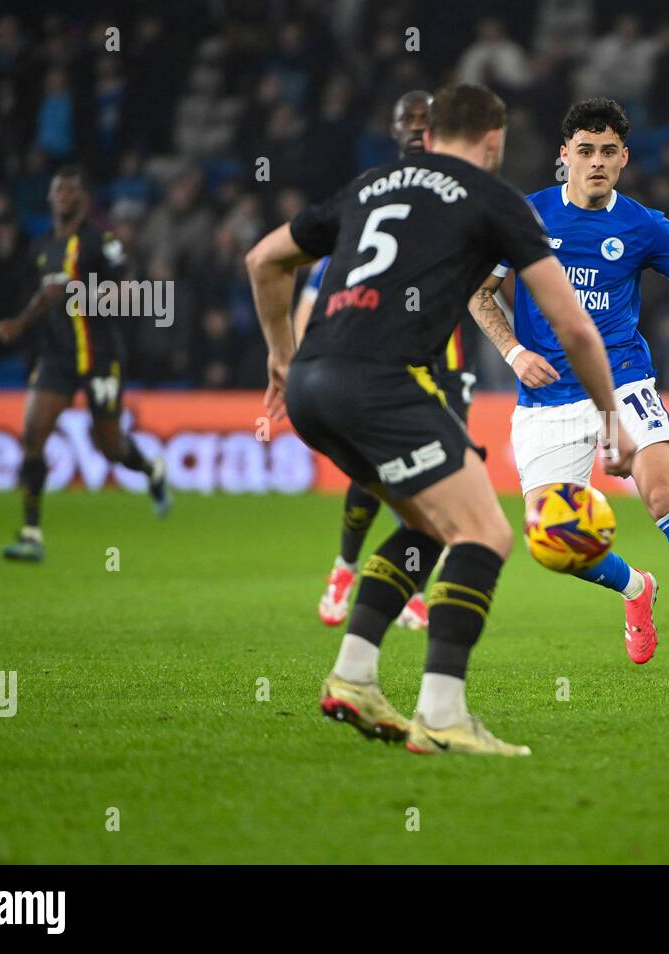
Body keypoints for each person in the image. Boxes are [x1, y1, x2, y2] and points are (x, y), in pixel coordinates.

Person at [245, 83, 635, 756]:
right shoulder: (493, 200)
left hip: (313, 385)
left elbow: (263, 260)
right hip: (382, 384)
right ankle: (443, 714)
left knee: (427, 524)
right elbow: (572, 325)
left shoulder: (372, 183)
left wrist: (281, 358)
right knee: (484, 533)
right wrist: (611, 416)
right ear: (493, 140)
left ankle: (355, 676)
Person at [469, 98, 669, 677]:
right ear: (564, 156)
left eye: (607, 152)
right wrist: (514, 352)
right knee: (551, 542)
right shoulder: (526, 217)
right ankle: (635, 588)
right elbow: (477, 294)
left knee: (663, 495)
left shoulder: (645, 224)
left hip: (623, 378)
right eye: (585, 151)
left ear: (623, 158)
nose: (596, 161)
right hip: (544, 396)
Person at [291, 90, 474, 631]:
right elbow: (318, 282)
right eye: (406, 118)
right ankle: (347, 565)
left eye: (426, 118)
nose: (417, 126)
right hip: (383, 357)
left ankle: (417, 591)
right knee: (374, 472)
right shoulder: (372, 195)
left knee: (443, 478)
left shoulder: (457, 194)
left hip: (445, 363)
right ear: (392, 130)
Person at [0, 167, 169, 562]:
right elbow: (45, 298)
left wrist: (79, 292)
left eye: (70, 189)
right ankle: (31, 534)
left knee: (109, 446)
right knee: (33, 434)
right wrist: (19, 325)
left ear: (84, 199)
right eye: (56, 188)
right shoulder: (42, 247)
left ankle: (152, 470)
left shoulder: (100, 242)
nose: (61, 195)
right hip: (57, 355)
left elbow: (131, 294)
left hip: (100, 356)